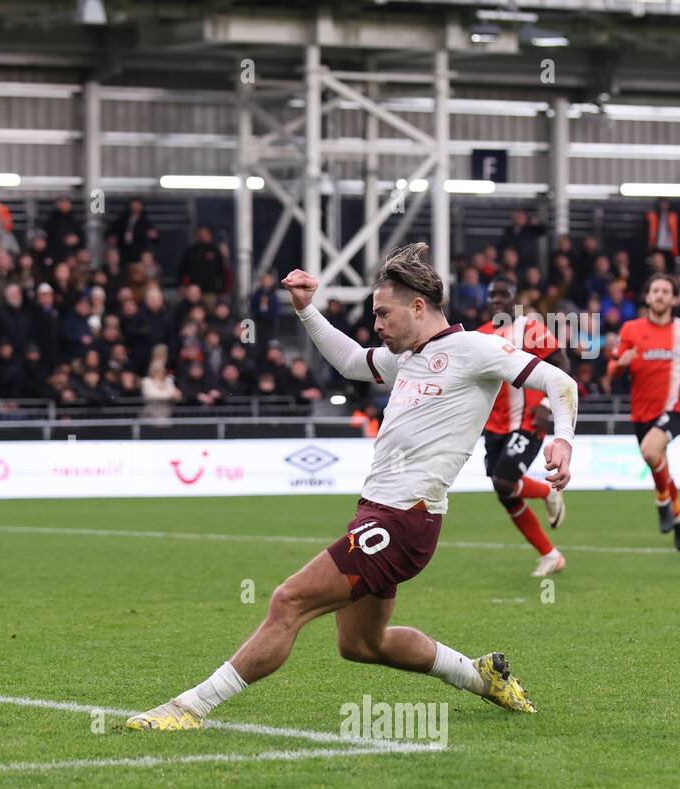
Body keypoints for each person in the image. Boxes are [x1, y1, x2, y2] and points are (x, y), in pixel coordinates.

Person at [127, 243, 578, 731]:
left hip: (404, 520)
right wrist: (306, 309)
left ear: (419, 306)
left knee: (288, 601)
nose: (378, 324)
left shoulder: (473, 350)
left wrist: (563, 441)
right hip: (378, 515)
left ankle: (189, 708)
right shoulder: (410, 358)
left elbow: (560, 383)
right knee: (362, 645)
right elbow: (349, 361)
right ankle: (480, 676)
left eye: (384, 313)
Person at [606, 273, 680, 551]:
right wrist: (621, 364)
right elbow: (612, 372)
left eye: (665, 291)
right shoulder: (631, 329)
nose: (659, 295)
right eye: (654, 290)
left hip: (675, 408)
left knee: (650, 452)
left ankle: (662, 502)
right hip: (641, 412)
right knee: (660, 463)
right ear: (647, 297)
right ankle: (679, 514)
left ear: (674, 298)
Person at [477, 277, 571, 577]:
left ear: (515, 297)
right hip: (494, 424)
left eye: (504, 294)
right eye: (493, 295)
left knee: (505, 482)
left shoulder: (530, 328)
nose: (497, 299)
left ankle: (547, 492)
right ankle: (550, 554)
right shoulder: (480, 335)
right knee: (504, 492)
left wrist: (545, 404)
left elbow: (561, 362)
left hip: (527, 421)